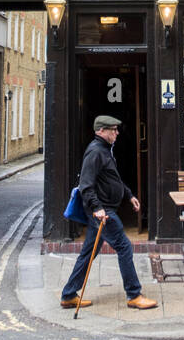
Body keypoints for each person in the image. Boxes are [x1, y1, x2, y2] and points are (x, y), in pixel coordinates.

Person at [60, 115, 157, 310]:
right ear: (101, 131)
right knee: (124, 246)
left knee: (89, 252)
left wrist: (129, 195)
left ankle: (69, 294)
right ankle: (134, 295)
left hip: (104, 209)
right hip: (102, 212)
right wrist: (97, 208)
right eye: (113, 129)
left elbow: (113, 178)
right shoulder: (95, 152)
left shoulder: (105, 151)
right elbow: (86, 186)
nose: (117, 133)